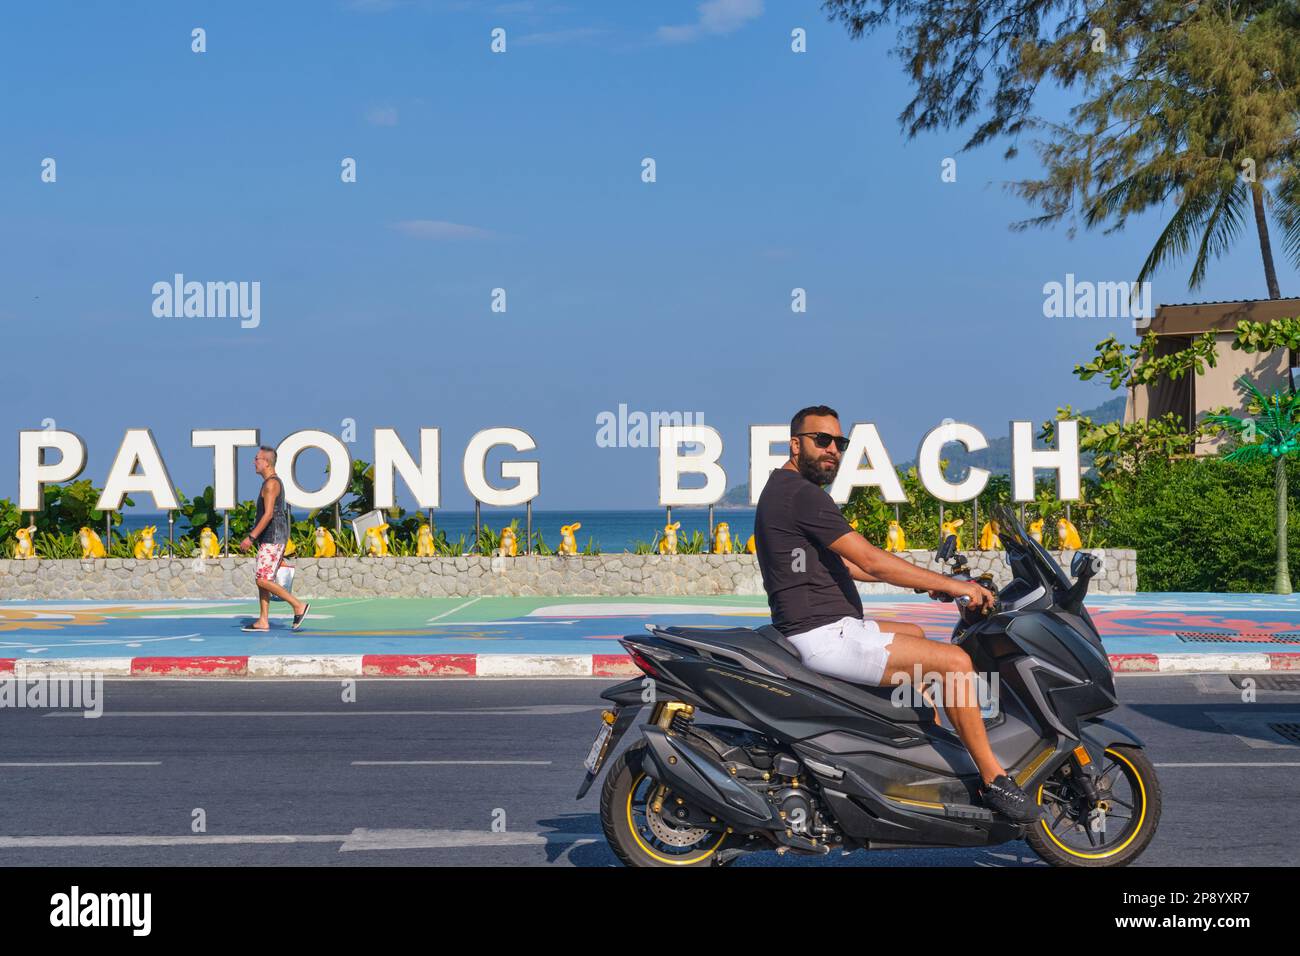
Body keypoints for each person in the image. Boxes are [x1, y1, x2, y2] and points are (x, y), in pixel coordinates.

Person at [752, 405, 1038, 823]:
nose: (833, 450)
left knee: (916, 633)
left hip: (823, 627)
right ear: (796, 444)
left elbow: (844, 565)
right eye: (822, 440)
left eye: (839, 443)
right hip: (826, 636)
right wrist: (956, 586)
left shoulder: (784, 490)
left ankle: (925, 754)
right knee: (955, 664)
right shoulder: (801, 494)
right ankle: (993, 779)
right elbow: (870, 560)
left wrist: (926, 583)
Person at [238, 444, 310, 632]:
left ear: (267, 462)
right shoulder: (269, 482)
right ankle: (263, 620)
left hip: (274, 537)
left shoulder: (271, 484)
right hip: (270, 537)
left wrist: (250, 537)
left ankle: (298, 606)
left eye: (257, 459)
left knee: (262, 580)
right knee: (263, 577)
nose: (254, 462)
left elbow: (268, 514)